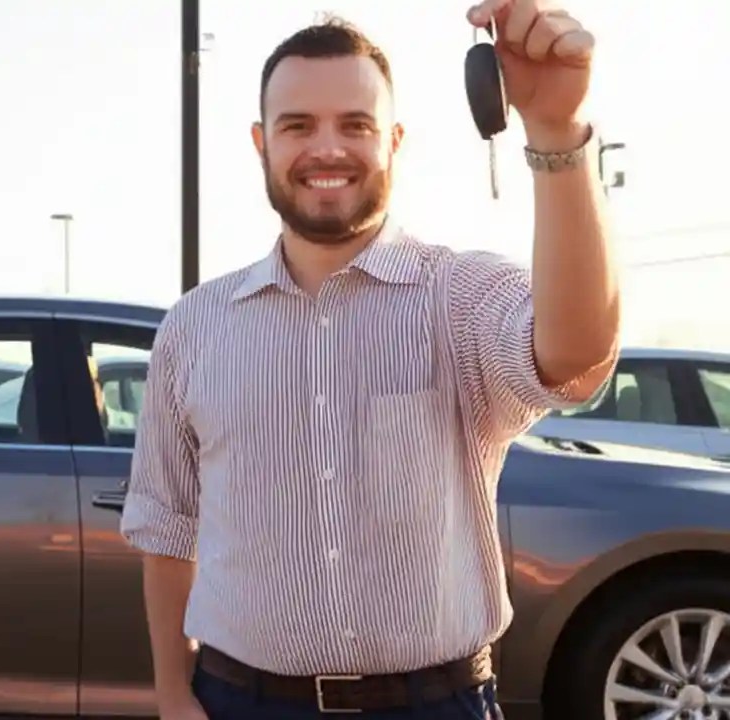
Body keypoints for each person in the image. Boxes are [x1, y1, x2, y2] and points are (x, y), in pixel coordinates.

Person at [120, 0, 620, 718]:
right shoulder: (194, 328)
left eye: (355, 125)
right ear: (262, 143)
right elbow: (167, 525)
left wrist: (556, 132)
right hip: (238, 701)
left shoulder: (460, 296)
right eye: (298, 126)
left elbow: (575, 354)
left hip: (435, 702)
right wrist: (173, 695)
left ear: (394, 141)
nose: (327, 149)